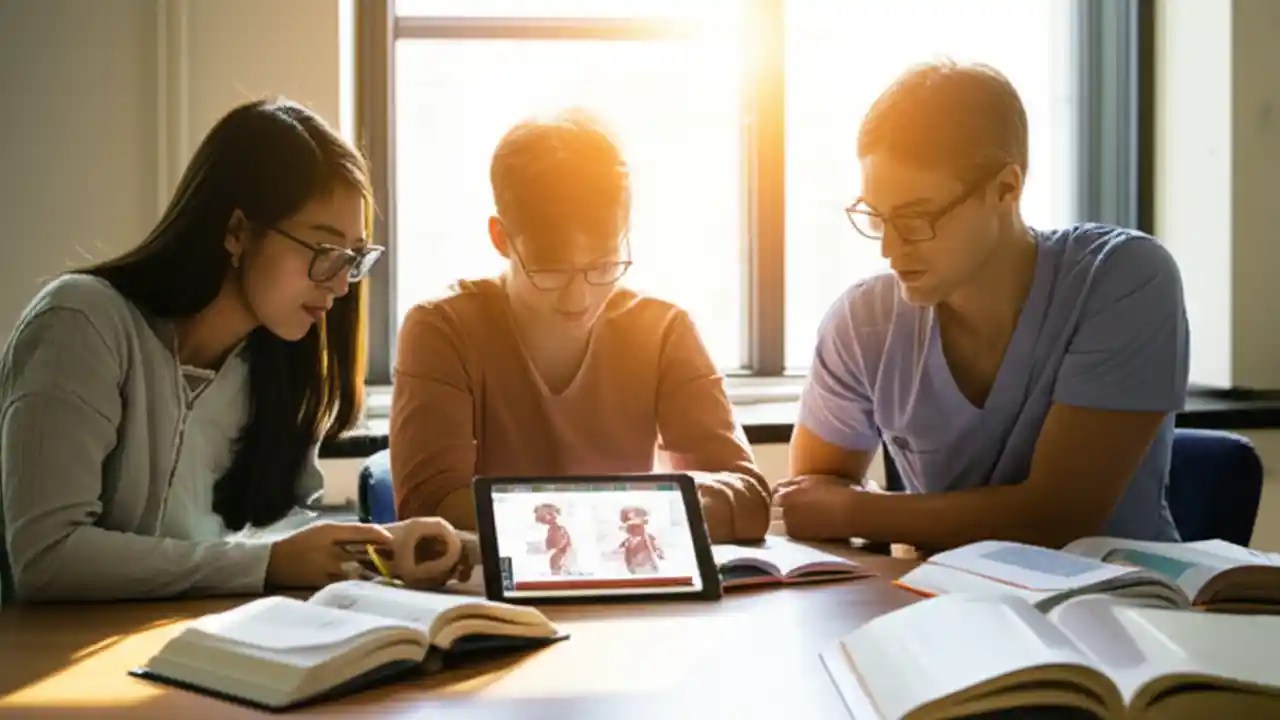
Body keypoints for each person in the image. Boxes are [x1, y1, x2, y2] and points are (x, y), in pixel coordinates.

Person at [0, 98, 465, 603]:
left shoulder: (280, 367)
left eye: (353, 258)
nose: (341, 285)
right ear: (237, 231)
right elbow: (47, 558)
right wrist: (270, 563)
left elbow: (267, 538)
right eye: (325, 251)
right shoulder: (82, 322)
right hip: (57, 666)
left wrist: (372, 550)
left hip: (201, 652)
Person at [777, 61, 1189, 551]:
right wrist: (861, 519)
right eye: (875, 215)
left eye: (917, 218)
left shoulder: (1123, 278)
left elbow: (1059, 519)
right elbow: (808, 507)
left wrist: (858, 510)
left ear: (1006, 189)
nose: (889, 248)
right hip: (940, 609)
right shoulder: (863, 322)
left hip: (1116, 609)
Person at [390, 109, 771, 542]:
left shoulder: (663, 330)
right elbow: (431, 513)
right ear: (501, 238)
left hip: (630, 595)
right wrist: (639, 511)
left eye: (604, 265)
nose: (579, 298)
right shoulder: (442, 331)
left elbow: (751, 502)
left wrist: (569, 516)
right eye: (550, 271)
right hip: (493, 600)